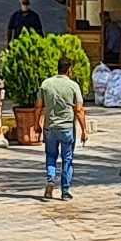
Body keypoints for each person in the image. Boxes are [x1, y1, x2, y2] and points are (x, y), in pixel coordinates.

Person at [39, 55, 84, 202]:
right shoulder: (73, 86)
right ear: (69, 69)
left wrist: (36, 124)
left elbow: (38, 106)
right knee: (67, 158)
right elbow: (79, 109)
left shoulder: (46, 84)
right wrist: (84, 130)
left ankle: (50, 179)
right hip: (67, 128)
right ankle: (65, 191)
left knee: (51, 156)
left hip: (50, 127)